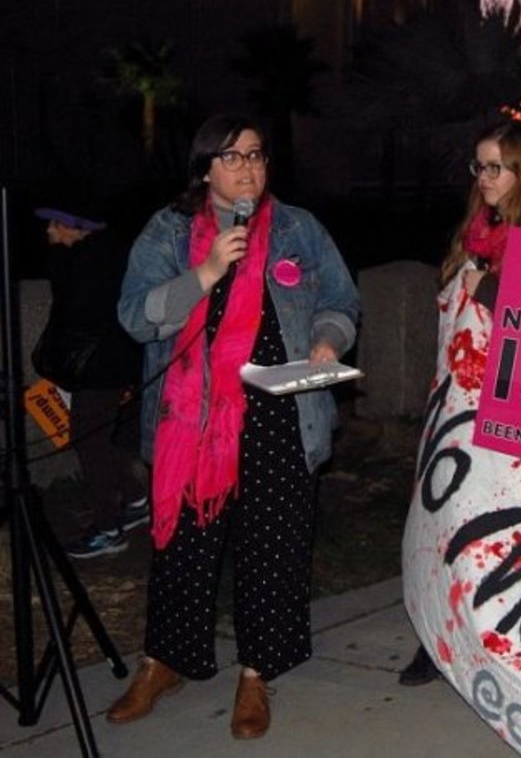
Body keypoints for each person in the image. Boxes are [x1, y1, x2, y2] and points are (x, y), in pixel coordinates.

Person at [106, 114, 360, 739]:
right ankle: (164, 661)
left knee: (272, 548)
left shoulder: (298, 227)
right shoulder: (168, 231)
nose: (248, 168)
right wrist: (207, 272)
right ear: (204, 169)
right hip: (193, 421)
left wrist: (328, 342)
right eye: (232, 157)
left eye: (256, 154)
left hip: (280, 409)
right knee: (183, 547)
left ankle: (256, 674)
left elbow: (340, 300)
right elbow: (136, 317)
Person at [399, 119, 521, 687]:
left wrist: (490, 289)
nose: (484, 177)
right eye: (479, 166)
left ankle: (519, 633)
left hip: (520, 408)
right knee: (450, 521)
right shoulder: (474, 228)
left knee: (514, 525)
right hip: (456, 405)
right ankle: (439, 634)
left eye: (496, 167)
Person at [32, 199, 147, 558]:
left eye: (56, 225)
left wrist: (59, 261)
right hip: (108, 365)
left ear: (76, 228)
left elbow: (76, 313)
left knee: (89, 440)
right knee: (93, 436)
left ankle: (108, 528)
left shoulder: (90, 263)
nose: (49, 232)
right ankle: (135, 497)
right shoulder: (103, 254)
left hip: (102, 368)